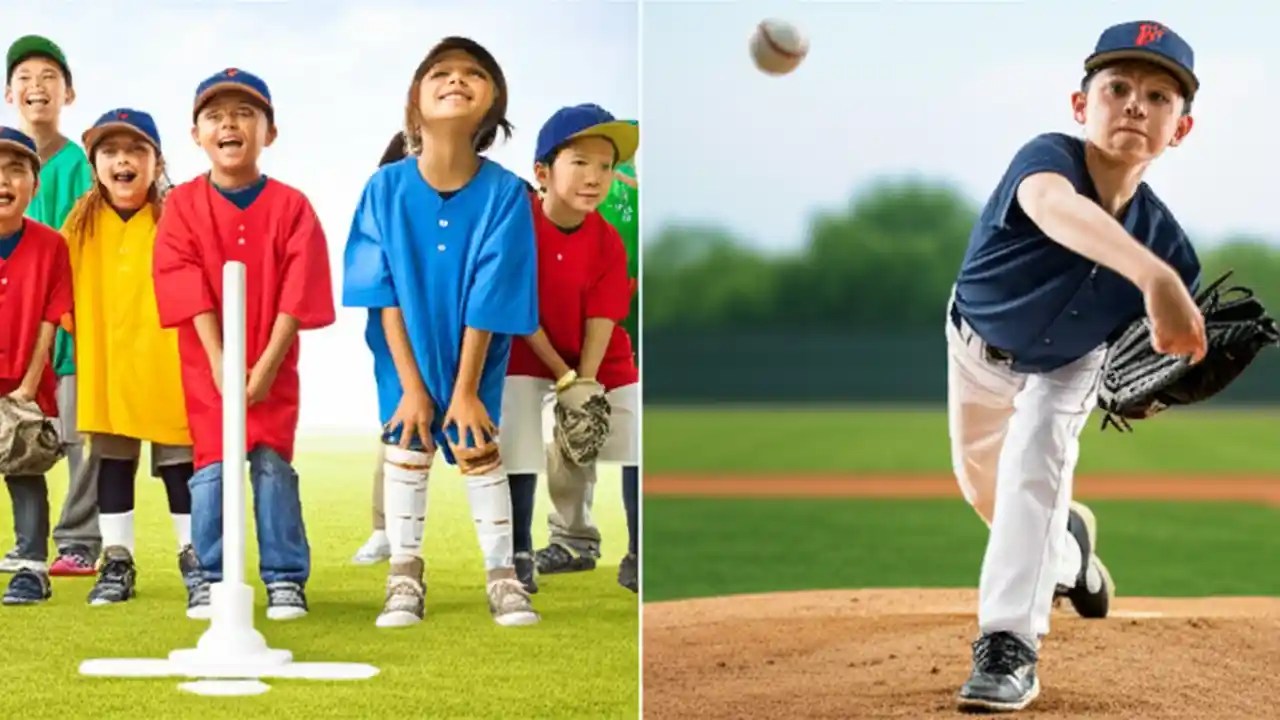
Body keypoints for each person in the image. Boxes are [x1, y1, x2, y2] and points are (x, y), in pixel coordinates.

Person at [949, 21, 1205, 712]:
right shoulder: (1046, 160)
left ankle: (1010, 648)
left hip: (1069, 365)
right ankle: (1071, 554)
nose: (1134, 104)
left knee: (1036, 459)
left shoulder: (1173, 253)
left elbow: (1146, 358)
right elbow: (1057, 212)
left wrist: (1161, 377)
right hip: (977, 349)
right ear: (1078, 104)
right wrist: (1154, 281)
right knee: (988, 492)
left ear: (1179, 129)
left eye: (1158, 97)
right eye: (1117, 87)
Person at [343, 37, 540, 628]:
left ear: (493, 103)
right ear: (415, 99)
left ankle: (502, 577)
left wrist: (465, 388)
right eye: (441, 73)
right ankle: (404, 574)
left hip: (475, 352)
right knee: (407, 441)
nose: (457, 80)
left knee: (479, 443)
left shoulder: (506, 194)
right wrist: (412, 385)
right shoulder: (384, 189)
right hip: (404, 348)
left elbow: (492, 292)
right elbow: (381, 293)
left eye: (474, 74)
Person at [153, 68, 335, 621]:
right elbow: (182, 282)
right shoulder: (183, 205)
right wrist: (222, 364)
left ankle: (284, 577)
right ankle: (209, 576)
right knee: (211, 469)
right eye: (215, 116)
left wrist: (264, 366)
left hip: (273, 365)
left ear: (269, 133)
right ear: (196, 135)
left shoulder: (291, 207)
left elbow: (299, 293)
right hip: (209, 368)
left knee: (273, 466)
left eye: (244, 114)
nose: (229, 124)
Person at [62, 108, 202, 607]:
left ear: (157, 161)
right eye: (110, 152)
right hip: (110, 363)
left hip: (171, 363)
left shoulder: (177, 214)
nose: (123, 160)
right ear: (94, 163)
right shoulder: (79, 225)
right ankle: (117, 560)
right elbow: (63, 295)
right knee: (113, 465)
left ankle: (196, 558)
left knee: (179, 466)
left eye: (135, 151)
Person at [502, 104, 641, 594]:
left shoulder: (607, 240)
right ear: (542, 172)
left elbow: (602, 317)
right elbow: (517, 312)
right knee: (517, 433)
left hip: (597, 352)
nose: (595, 177)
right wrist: (563, 378)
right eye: (580, 162)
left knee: (640, 431)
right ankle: (519, 550)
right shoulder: (516, 227)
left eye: (606, 167)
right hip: (527, 347)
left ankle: (642, 551)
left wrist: (584, 382)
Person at [3, 34, 97, 576]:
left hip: (69, 329)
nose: (36, 88)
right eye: (25, 79)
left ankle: (78, 541)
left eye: (49, 78)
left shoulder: (78, 166)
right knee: (19, 442)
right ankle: (27, 542)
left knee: (78, 437)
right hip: (14, 333)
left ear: (69, 92)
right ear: (9, 92)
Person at [0, 127, 73, 604]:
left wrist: (28, 387)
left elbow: (53, 315)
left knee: (25, 472)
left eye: (15, 170)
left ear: (34, 185)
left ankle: (31, 568)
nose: (4, 180)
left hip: (24, 383)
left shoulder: (50, 245)